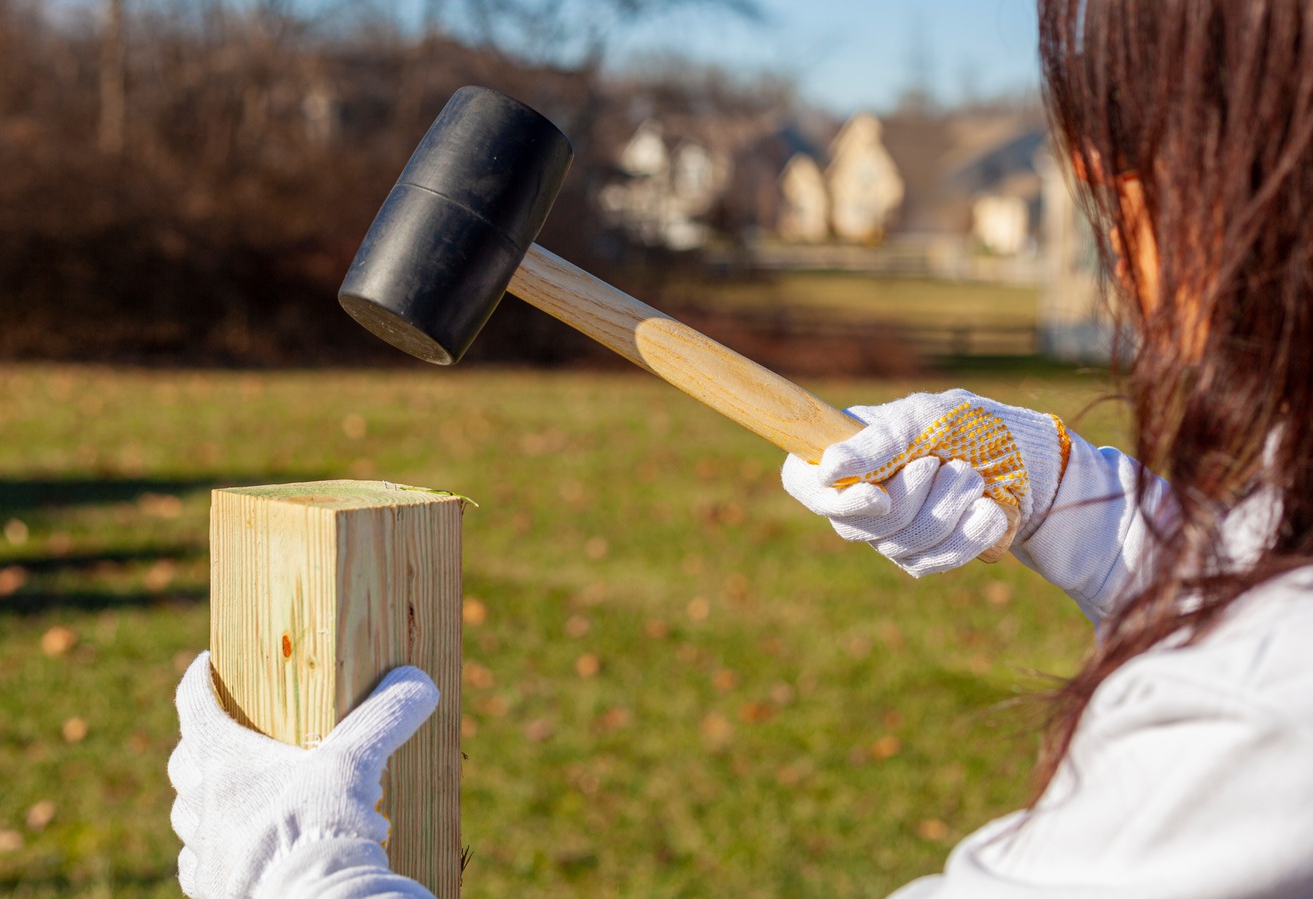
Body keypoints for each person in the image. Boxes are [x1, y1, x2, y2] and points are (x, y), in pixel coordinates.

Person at [166, 0, 1313, 895]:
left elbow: (1263, 675)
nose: (1105, 198)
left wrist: (291, 869)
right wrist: (1067, 491)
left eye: (1149, 152)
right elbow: (1269, 593)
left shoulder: (1257, 737)